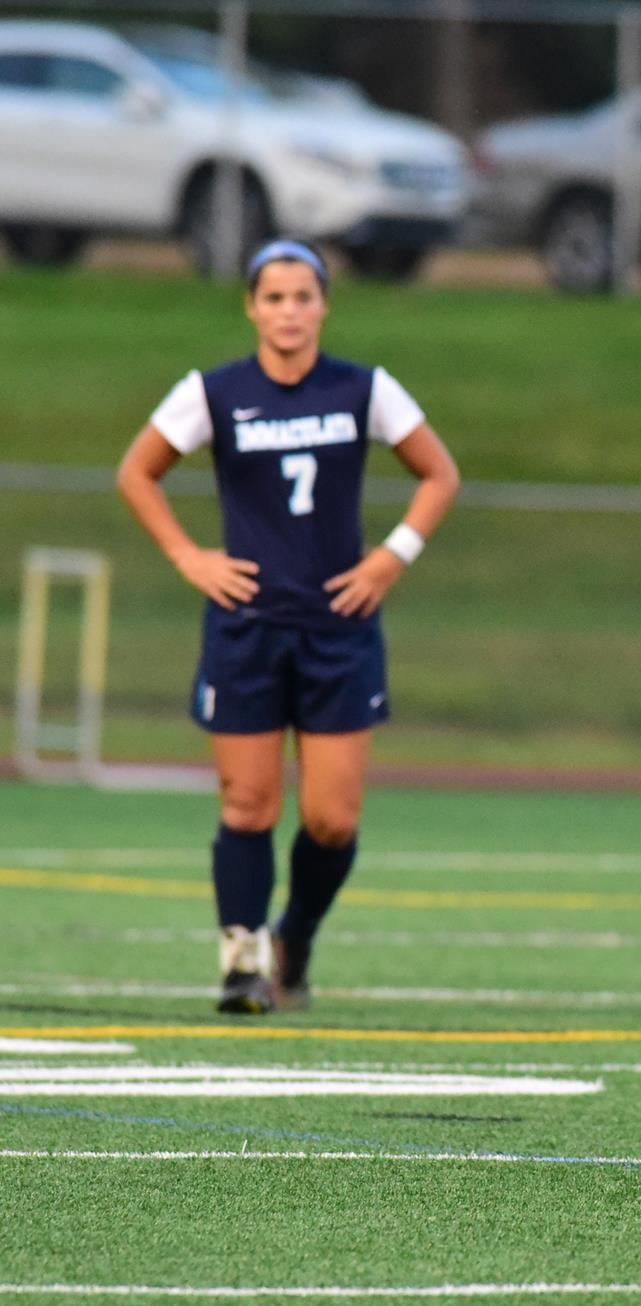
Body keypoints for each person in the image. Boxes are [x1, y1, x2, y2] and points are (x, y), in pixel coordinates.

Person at [115, 239, 461, 1013]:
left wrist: (389, 559)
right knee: (248, 806)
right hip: (247, 629)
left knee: (332, 820)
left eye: (303, 296)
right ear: (251, 307)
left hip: (338, 629)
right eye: (274, 298)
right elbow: (137, 471)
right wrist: (188, 557)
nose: (289, 311)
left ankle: (293, 934)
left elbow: (439, 473)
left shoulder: (362, 388)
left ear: (323, 305)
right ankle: (241, 961)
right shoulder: (213, 392)